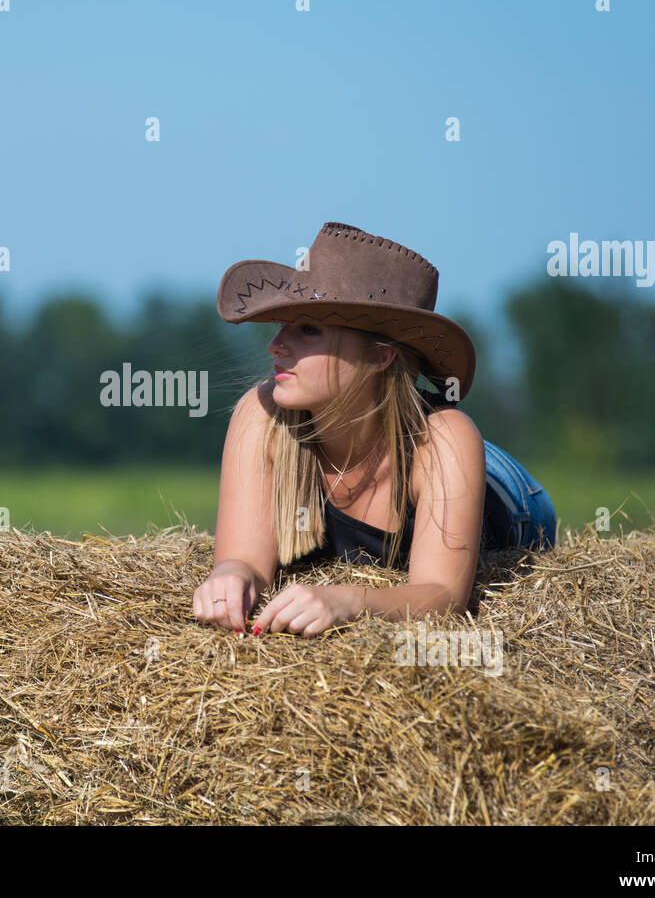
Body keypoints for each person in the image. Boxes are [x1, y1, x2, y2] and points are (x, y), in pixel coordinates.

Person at [193, 222, 556, 637]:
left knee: (461, 444)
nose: (275, 344)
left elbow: (442, 595)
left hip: (502, 488)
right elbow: (245, 560)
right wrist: (231, 576)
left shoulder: (442, 442)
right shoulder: (261, 415)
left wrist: (346, 601)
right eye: (282, 325)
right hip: (417, 440)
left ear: (381, 357)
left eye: (308, 329)